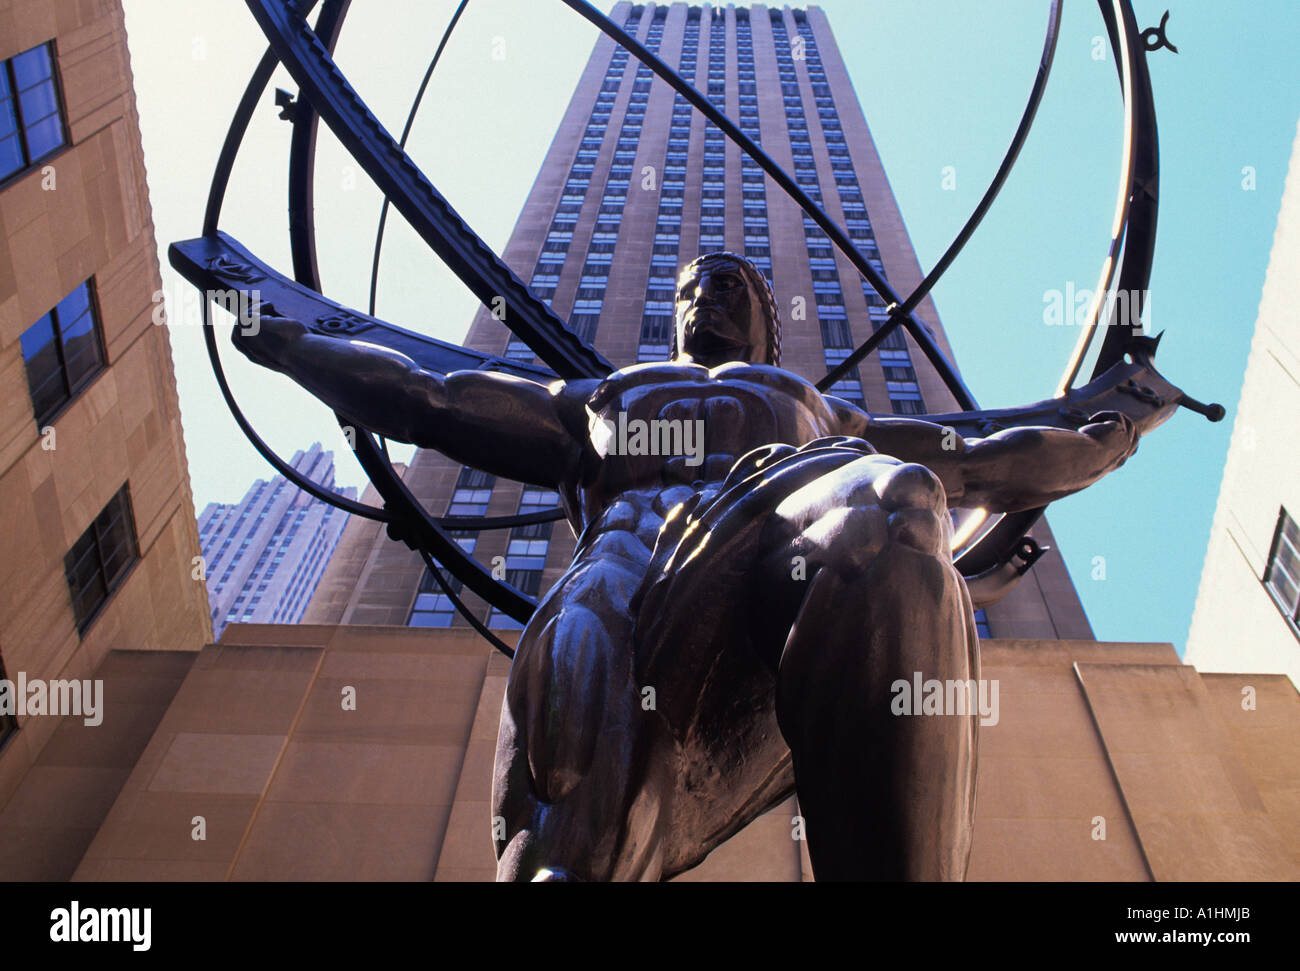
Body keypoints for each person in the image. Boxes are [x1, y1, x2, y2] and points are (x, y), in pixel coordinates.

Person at [233, 251, 1140, 881]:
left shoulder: (815, 412)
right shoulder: (602, 398)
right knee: (571, 830)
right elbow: (434, 396)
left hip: (784, 522)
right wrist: (290, 338)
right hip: (630, 568)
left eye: (732, 286)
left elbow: (984, 459)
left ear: (767, 326)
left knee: (900, 509)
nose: (709, 294)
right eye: (695, 286)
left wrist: (1113, 435)